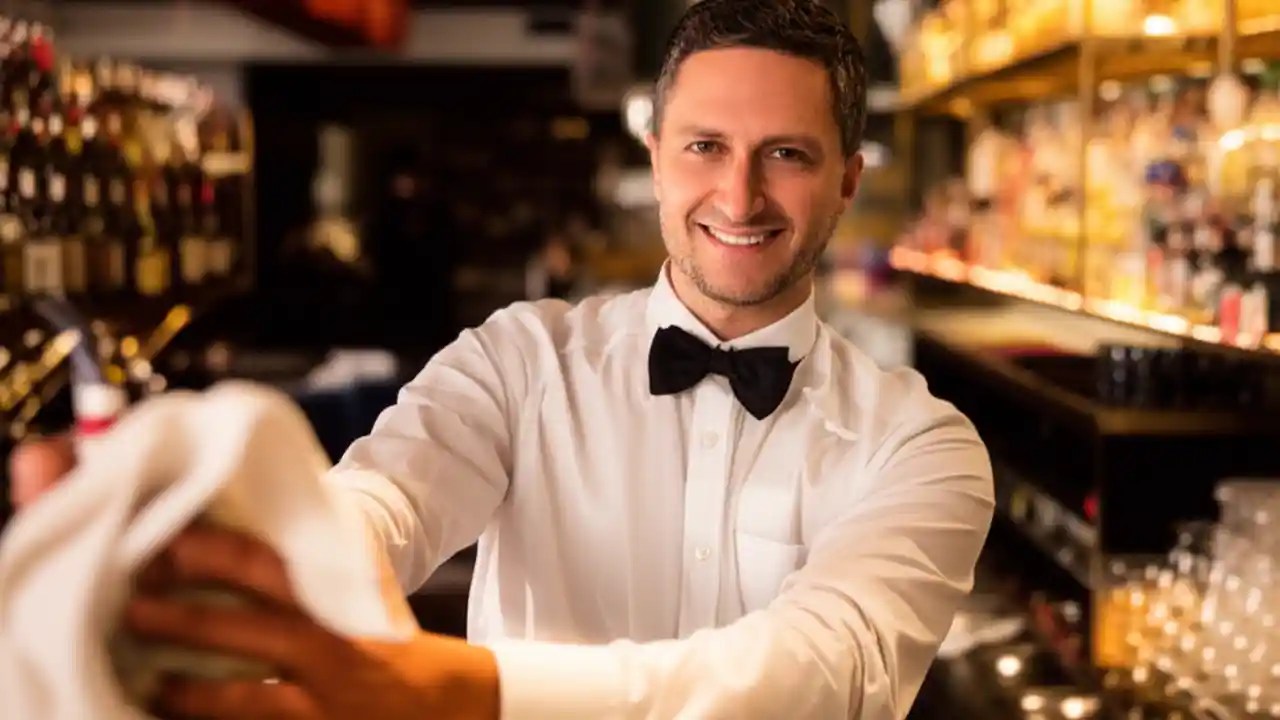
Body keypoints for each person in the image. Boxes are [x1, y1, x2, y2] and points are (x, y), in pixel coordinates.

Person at [7, 1, 994, 718]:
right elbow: (381, 501)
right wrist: (234, 561)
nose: (736, 197)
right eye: (702, 147)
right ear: (654, 157)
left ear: (847, 180)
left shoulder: (922, 447)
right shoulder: (521, 358)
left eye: (785, 153)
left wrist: (451, 690)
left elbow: (819, 673)